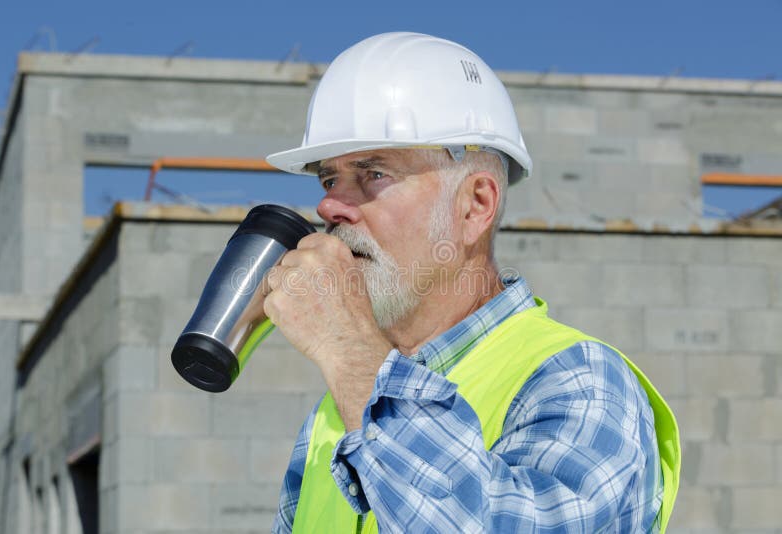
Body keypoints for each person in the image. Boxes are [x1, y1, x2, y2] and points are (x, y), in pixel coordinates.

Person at [263, 32, 680, 533]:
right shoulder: (335, 414)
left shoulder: (580, 382)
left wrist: (348, 350)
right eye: (330, 179)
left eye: (373, 173)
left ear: (475, 205)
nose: (329, 206)